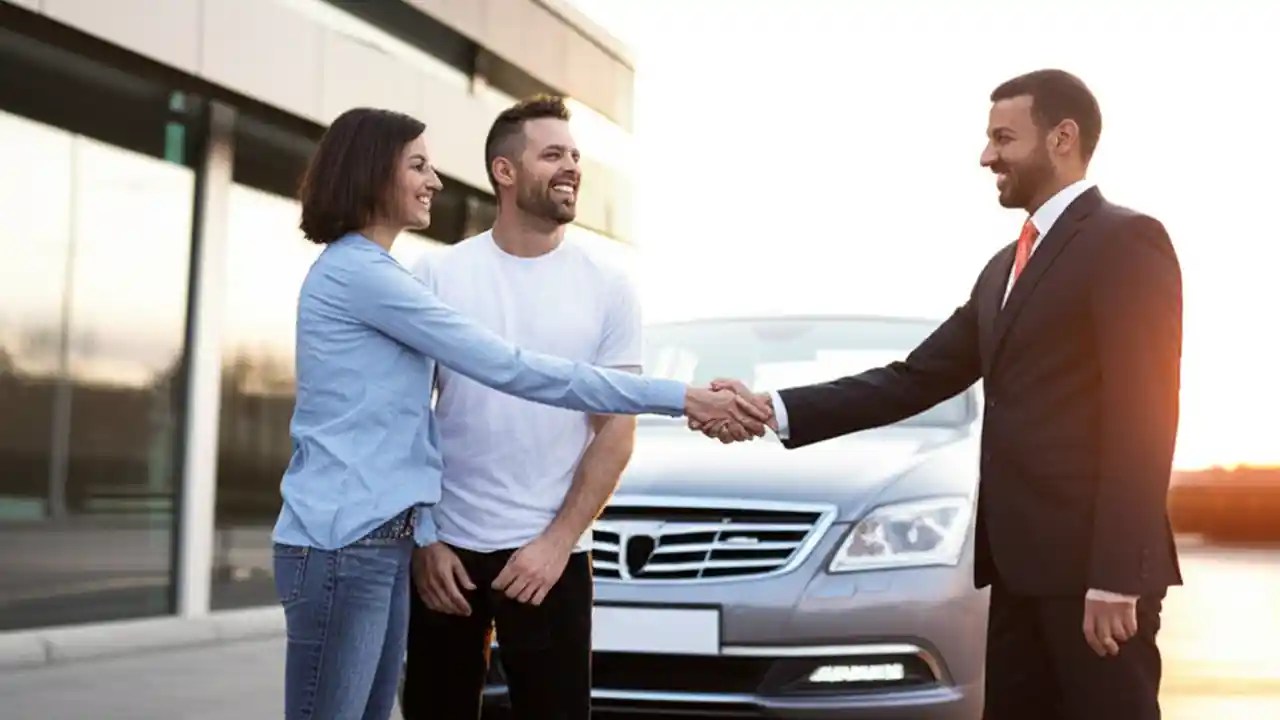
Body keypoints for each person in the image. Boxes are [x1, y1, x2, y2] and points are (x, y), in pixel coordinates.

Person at [696, 69, 1182, 720]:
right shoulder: (1003, 269)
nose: (987, 157)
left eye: (1003, 138)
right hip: (1015, 572)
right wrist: (771, 408)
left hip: (1091, 579)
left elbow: (1144, 415)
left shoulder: (1126, 240)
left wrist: (1118, 574)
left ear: (1062, 138)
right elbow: (913, 378)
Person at [270, 106, 768, 720]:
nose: (435, 182)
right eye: (419, 166)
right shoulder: (378, 277)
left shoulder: (379, 274)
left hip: (377, 544)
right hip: (347, 543)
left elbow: (405, 426)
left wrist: (536, 540)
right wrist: (683, 397)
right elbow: (508, 367)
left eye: (575, 154)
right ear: (375, 174)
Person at [397, 95, 644, 719]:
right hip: (446, 559)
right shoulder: (437, 276)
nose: (571, 168)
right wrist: (425, 539)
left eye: (576, 155)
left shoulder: (608, 285)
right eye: (553, 154)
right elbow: (403, 418)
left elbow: (615, 431)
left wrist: (557, 543)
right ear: (505, 171)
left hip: (553, 557)